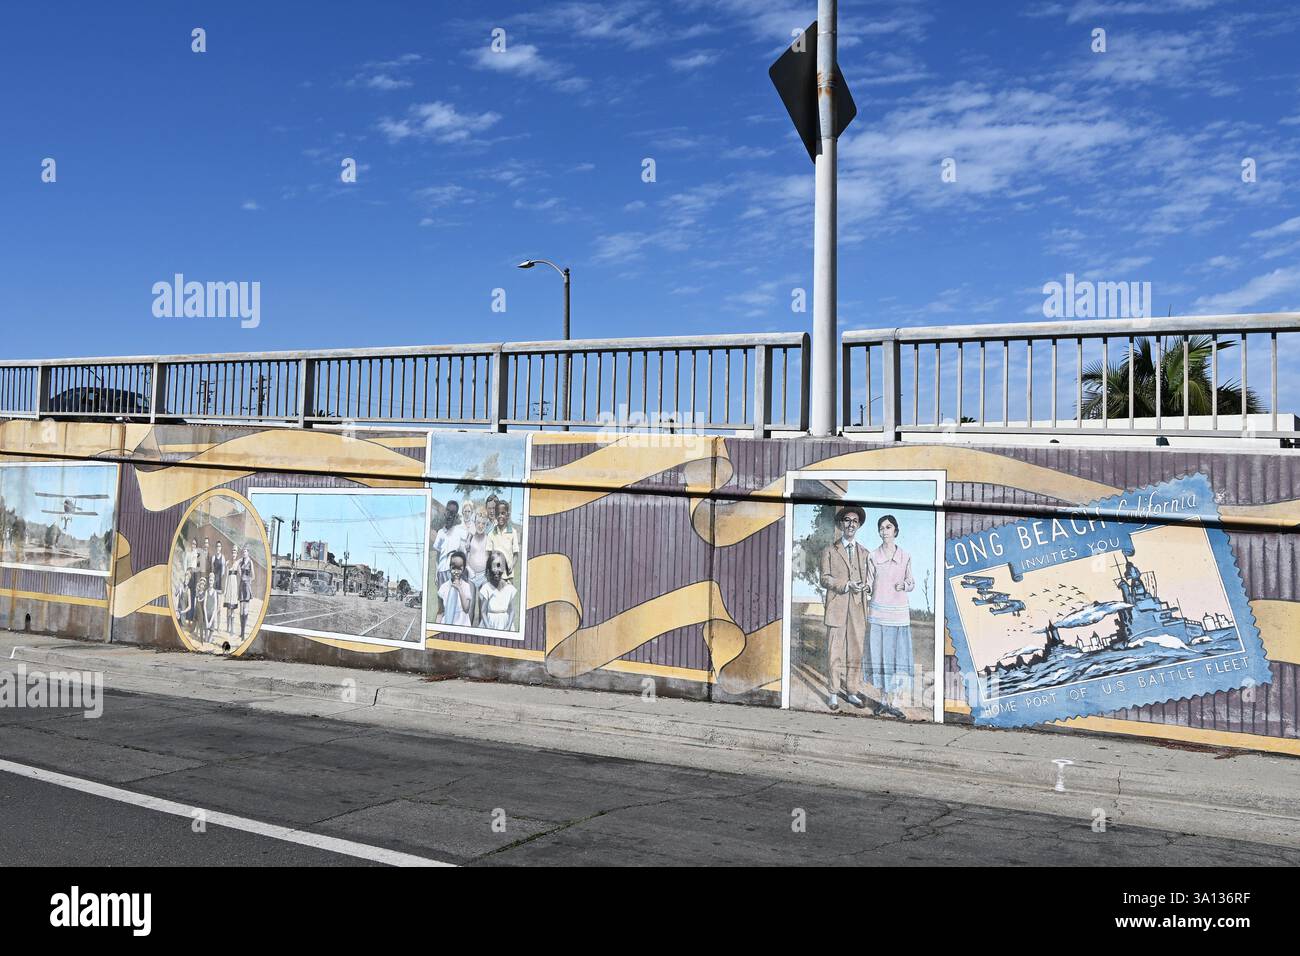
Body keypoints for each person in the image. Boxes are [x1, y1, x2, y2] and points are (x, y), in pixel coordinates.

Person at [818, 506, 870, 711]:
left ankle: (852, 692)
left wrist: (866, 587)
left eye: (855, 521)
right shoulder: (830, 550)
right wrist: (846, 585)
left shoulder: (865, 553)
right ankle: (833, 693)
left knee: (855, 652)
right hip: (836, 608)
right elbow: (824, 578)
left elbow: (870, 580)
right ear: (841, 524)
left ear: (859, 526)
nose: (851, 524)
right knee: (834, 652)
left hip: (858, 609)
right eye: (847, 520)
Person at [864, 514, 915, 719]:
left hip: (899, 616)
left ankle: (894, 703)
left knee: (896, 660)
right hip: (878, 616)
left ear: (895, 531)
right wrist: (866, 588)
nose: (884, 531)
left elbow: (911, 582)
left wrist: (905, 585)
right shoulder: (873, 556)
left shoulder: (905, 556)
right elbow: (869, 583)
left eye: (888, 527)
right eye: (881, 528)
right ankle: (883, 701)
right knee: (880, 659)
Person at [477, 551, 517, 631]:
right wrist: (488, 627)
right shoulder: (487, 588)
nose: (496, 570)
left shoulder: (509, 588)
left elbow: (512, 611)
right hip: (490, 624)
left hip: (505, 625)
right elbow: (483, 611)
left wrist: (508, 626)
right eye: (494, 566)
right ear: (489, 568)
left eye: (499, 566)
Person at [432, 500, 467, 587]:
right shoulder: (440, 533)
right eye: (448, 512)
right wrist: (436, 573)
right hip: (441, 571)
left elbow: (464, 553)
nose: (450, 516)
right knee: (442, 594)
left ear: (456, 516)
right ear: (445, 513)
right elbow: (438, 555)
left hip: (454, 572)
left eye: (453, 513)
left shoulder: (459, 532)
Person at [437, 551, 474, 627]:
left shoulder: (466, 586)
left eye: (459, 569)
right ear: (450, 567)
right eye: (454, 568)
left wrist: (459, 588)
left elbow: (466, 609)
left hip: (462, 625)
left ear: (463, 569)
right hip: (447, 624)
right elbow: (440, 611)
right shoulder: (443, 587)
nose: (456, 572)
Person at [488, 499, 520, 578]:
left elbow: (516, 554)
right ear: (495, 515)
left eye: (503, 513)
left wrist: (512, 565)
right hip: (496, 575)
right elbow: (489, 555)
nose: (500, 516)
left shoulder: (513, 532)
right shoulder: (491, 534)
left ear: (507, 515)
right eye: (498, 514)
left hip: (508, 575)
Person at [465, 512, 491, 587]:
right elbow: (466, 555)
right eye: (478, 522)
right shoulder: (470, 538)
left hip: (484, 576)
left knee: (483, 594)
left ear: (486, 525)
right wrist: (469, 569)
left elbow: (490, 557)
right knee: (470, 595)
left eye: (483, 523)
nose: (480, 526)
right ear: (474, 523)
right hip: (471, 574)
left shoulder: (488, 539)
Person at [236, 546, 255, 641]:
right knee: (241, 610)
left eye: (245, 551)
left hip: (246, 587)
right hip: (241, 586)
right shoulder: (241, 562)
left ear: (248, 553)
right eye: (243, 552)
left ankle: (243, 633)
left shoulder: (250, 562)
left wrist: (248, 581)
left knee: (245, 610)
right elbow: (238, 569)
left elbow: (253, 576)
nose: (244, 553)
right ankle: (241, 632)